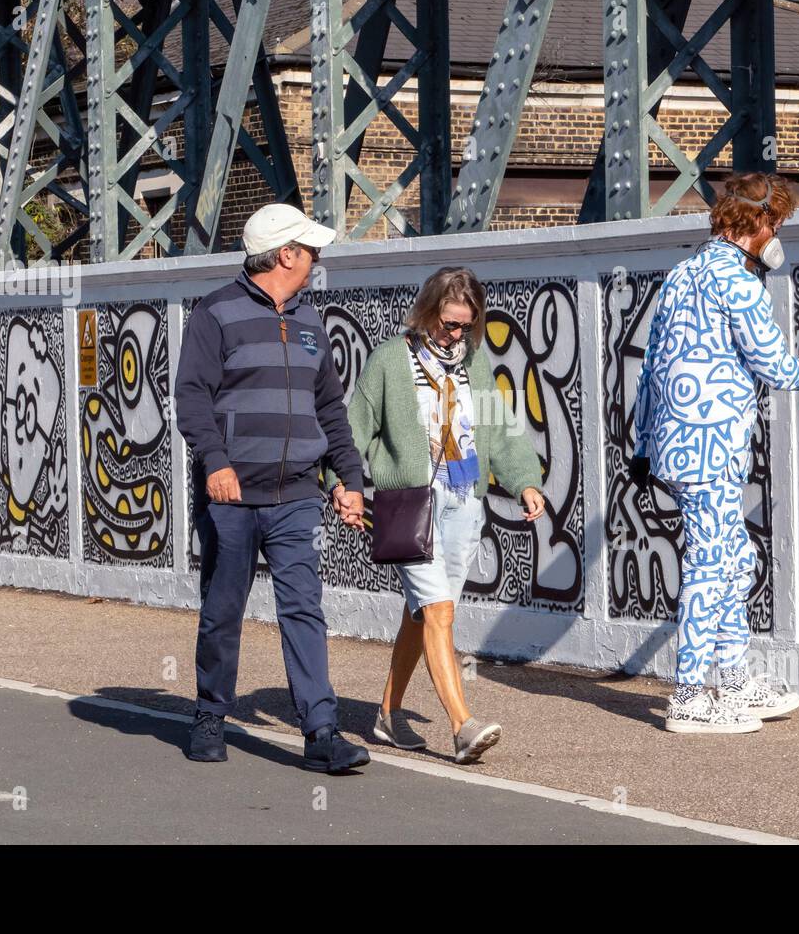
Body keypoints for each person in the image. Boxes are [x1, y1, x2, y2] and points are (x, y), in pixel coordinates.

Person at [631, 172, 799, 735]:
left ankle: (735, 684)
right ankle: (690, 697)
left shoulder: (681, 275)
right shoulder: (739, 284)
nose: (779, 232)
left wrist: (642, 445)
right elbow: (777, 367)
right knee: (712, 568)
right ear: (759, 222)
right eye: (778, 222)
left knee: (735, 562)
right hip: (712, 446)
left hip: (674, 444)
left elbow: (649, 370)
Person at [175, 203, 371, 773]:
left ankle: (322, 731)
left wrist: (349, 480)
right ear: (285, 255)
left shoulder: (311, 322)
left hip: (296, 497)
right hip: (231, 497)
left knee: (304, 609)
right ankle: (210, 714)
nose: (316, 260)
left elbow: (330, 409)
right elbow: (191, 396)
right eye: (310, 251)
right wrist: (215, 461)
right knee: (222, 609)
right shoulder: (216, 313)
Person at [325, 267, 545, 764]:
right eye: (449, 324)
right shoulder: (388, 362)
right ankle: (462, 727)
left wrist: (524, 481)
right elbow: (350, 430)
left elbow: (501, 430)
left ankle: (386, 714)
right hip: (409, 505)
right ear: (427, 313)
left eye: (467, 326)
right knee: (440, 610)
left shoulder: (475, 364)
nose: (456, 334)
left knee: (423, 610)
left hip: (466, 501)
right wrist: (342, 485)